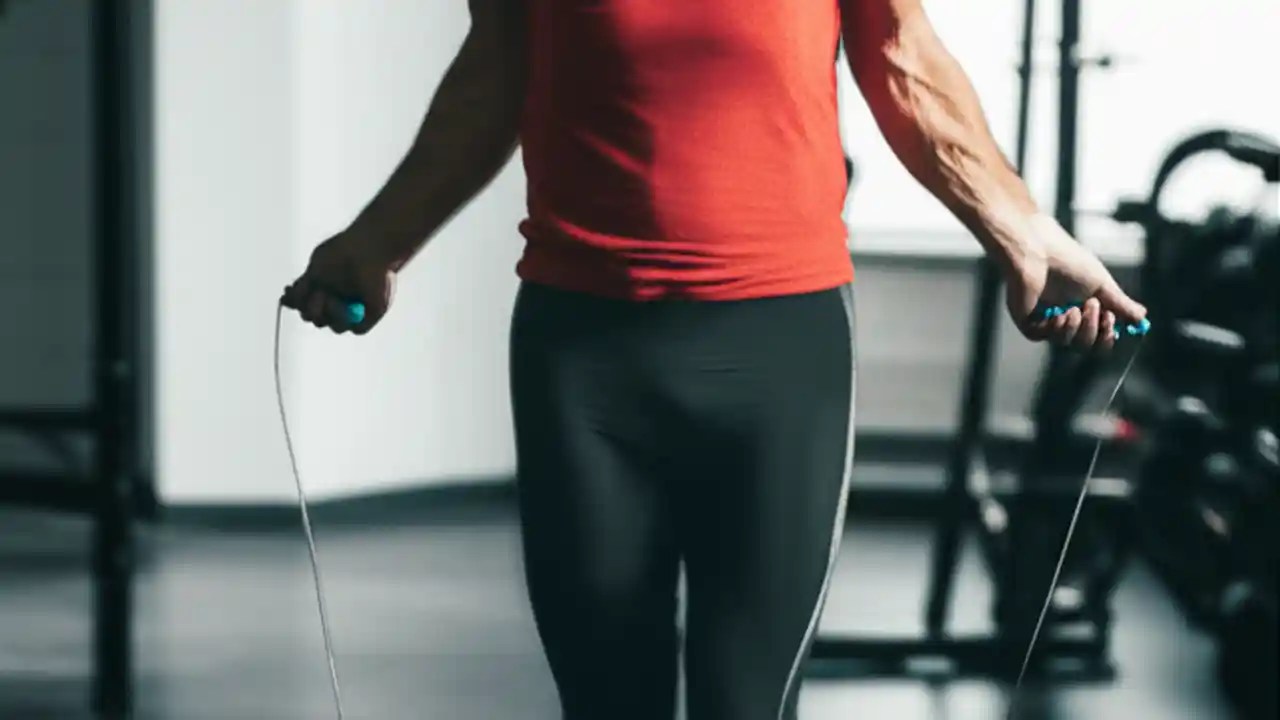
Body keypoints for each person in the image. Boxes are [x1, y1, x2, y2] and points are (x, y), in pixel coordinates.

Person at [282, 1, 1148, 717]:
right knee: (607, 700)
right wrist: (378, 241)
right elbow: (501, 64)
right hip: (583, 360)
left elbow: (901, 55)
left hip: (780, 351)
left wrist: (1022, 233)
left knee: (747, 703)